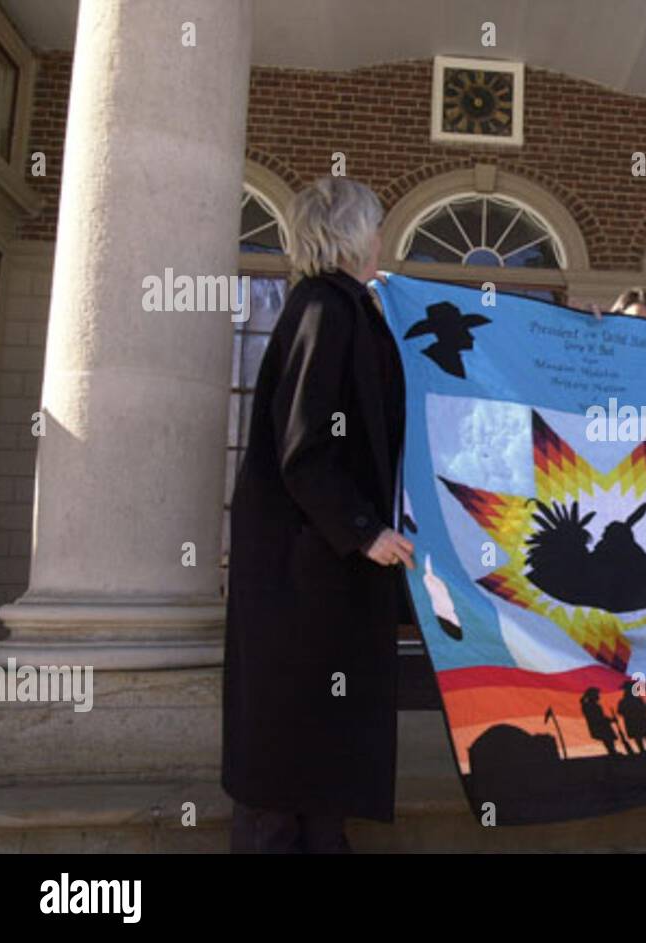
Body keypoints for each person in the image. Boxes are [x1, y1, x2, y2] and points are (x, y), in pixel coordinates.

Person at [222, 176, 415, 853]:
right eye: (378, 225)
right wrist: (366, 532)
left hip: (318, 577)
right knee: (284, 771)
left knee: (315, 767)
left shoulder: (341, 308)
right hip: (301, 580)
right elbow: (305, 450)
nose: (383, 238)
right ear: (353, 233)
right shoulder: (323, 312)